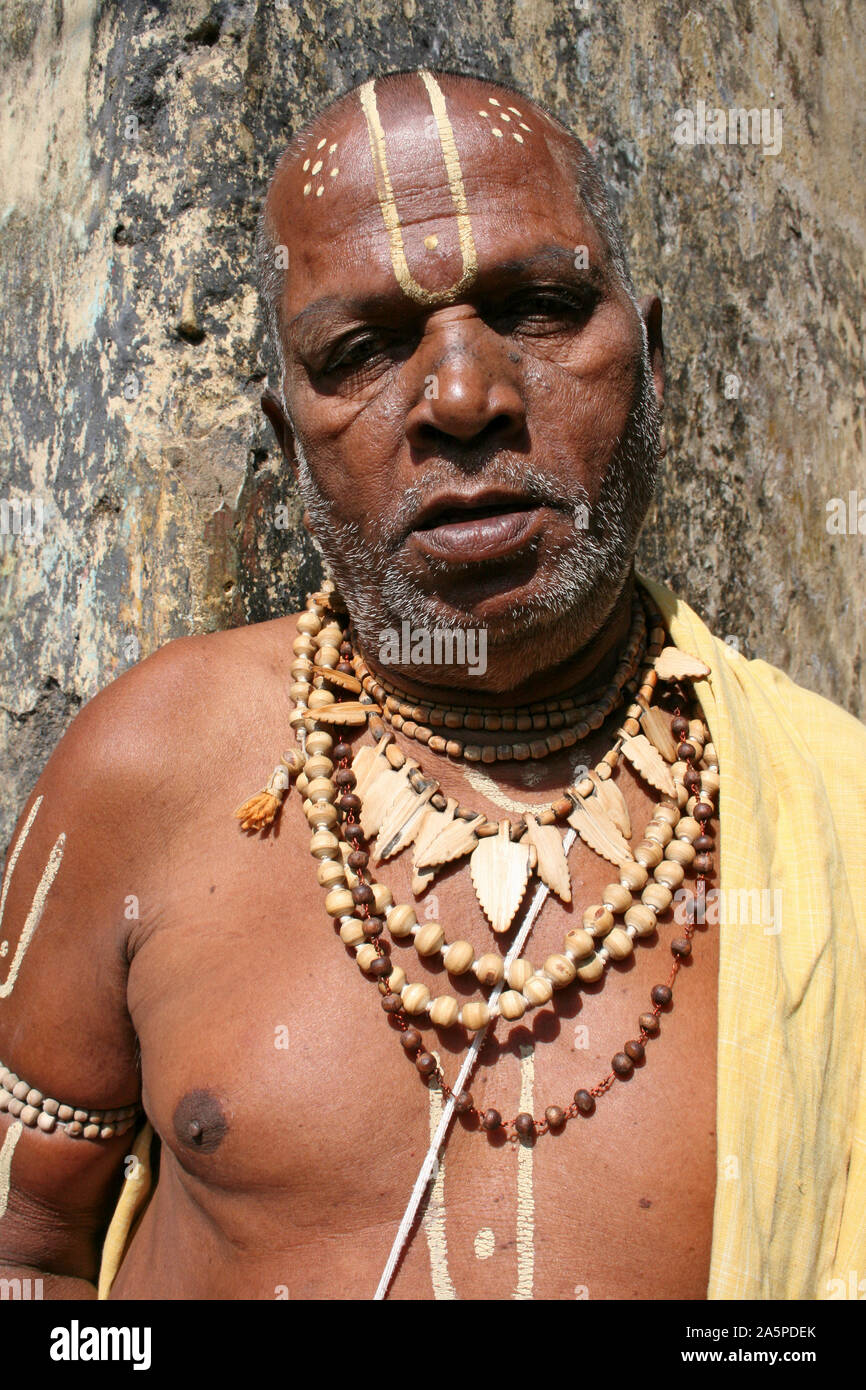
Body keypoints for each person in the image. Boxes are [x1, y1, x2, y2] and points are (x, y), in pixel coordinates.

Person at [0, 67, 863, 1303]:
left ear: (653, 363)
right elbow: (23, 1252)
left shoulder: (835, 825)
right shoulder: (150, 766)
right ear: (285, 434)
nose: (464, 400)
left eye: (537, 306)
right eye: (363, 348)